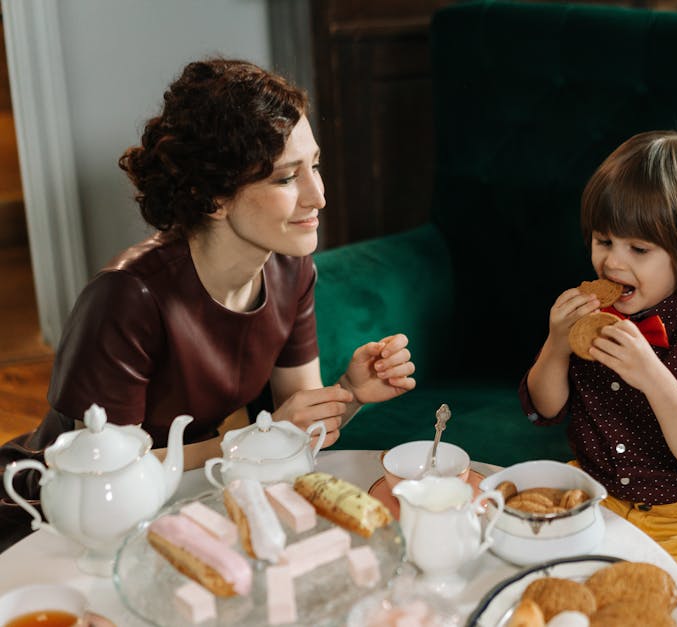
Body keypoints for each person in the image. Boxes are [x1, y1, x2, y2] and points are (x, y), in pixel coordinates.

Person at [0, 58, 416, 546]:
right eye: (286, 178)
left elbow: (294, 427)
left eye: (315, 166)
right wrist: (250, 440)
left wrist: (349, 390)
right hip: (55, 518)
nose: (318, 196)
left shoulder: (290, 268)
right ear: (213, 196)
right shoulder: (126, 295)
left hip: (172, 499)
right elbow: (106, 476)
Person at [519, 130, 677, 621]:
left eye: (638, 249)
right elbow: (545, 407)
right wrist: (556, 344)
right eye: (603, 240)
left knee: (676, 615)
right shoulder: (593, 312)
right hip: (593, 497)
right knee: (538, 597)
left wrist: (655, 378)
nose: (612, 261)